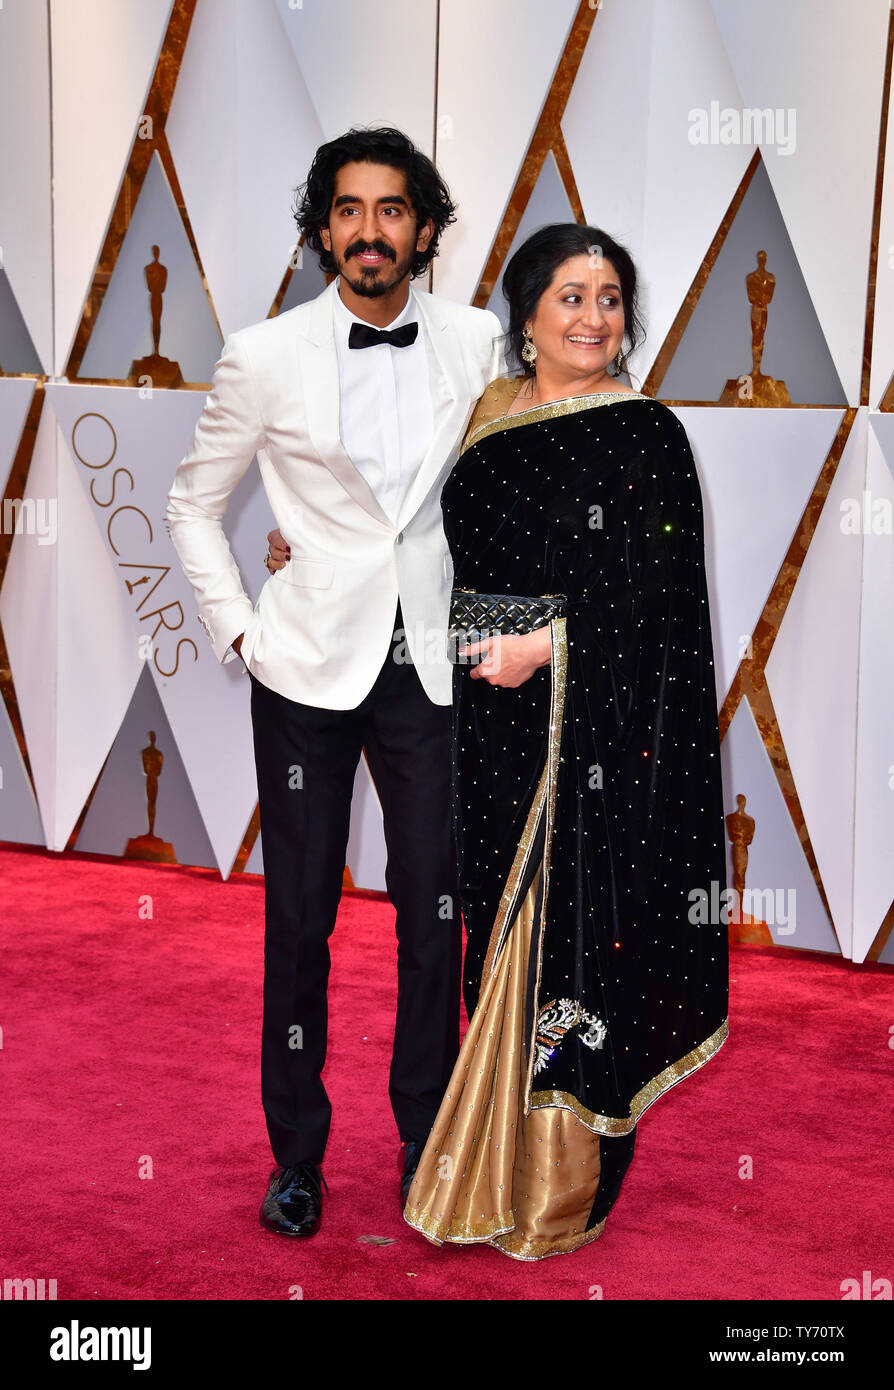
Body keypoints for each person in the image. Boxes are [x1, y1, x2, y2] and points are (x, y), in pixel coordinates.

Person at [165, 127, 505, 1238]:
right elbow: (190, 503)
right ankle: (298, 1155)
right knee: (299, 920)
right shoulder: (263, 356)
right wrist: (242, 634)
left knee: (431, 916)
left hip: (431, 671)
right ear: (323, 229)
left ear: (426, 227)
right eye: (349, 210)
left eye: (393, 209)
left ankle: (428, 1140)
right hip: (306, 671)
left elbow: (498, 496)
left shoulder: (475, 341)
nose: (371, 230)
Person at [402, 223, 729, 1259]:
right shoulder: (491, 410)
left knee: (566, 933)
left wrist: (546, 647)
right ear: (527, 312)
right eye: (571, 297)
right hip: (480, 722)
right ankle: (482, 1151)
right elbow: (428, 535)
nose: (595, 318)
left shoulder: (648, 432)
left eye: (610, 298)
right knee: (490, 927)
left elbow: (661, 594)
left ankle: (553, 1181)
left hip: (583, 726)